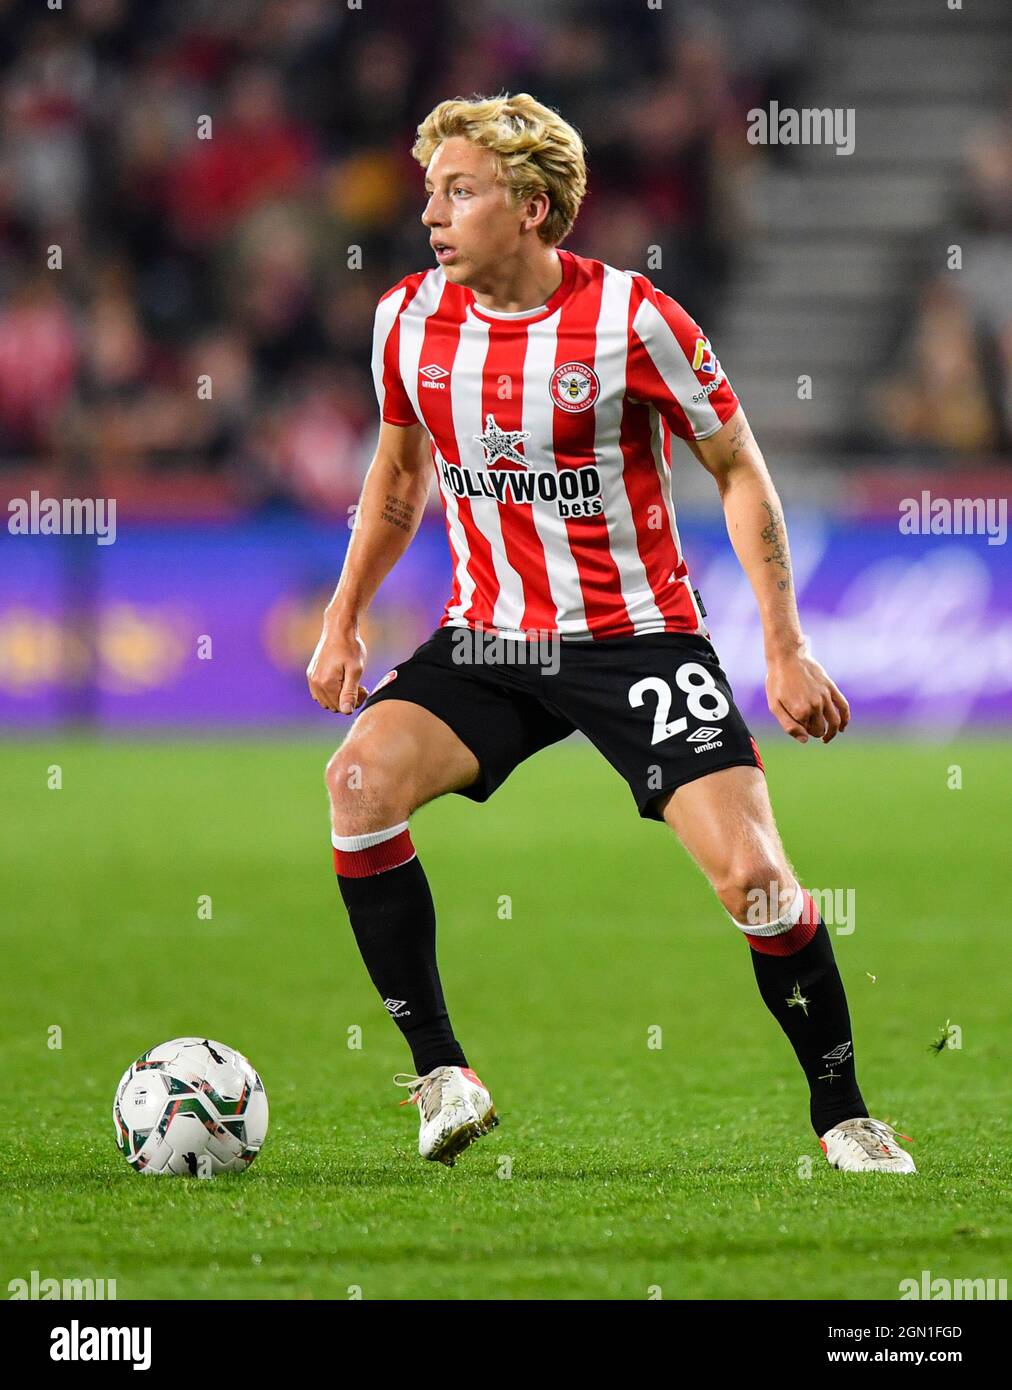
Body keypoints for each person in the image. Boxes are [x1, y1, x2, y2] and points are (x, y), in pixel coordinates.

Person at [307, 93, 914, 1174]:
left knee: (757, 883)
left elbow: (737, 467)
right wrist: (344, 616)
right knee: (356, 784)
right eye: (430, 193)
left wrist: (782, 642)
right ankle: (444, 1072)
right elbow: (398, 479)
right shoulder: (407, 319)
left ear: (534, 208)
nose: (432, 216)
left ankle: (845, 1114)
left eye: (460, 192)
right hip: (491, 639)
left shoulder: (633, 321)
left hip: (635, 637)